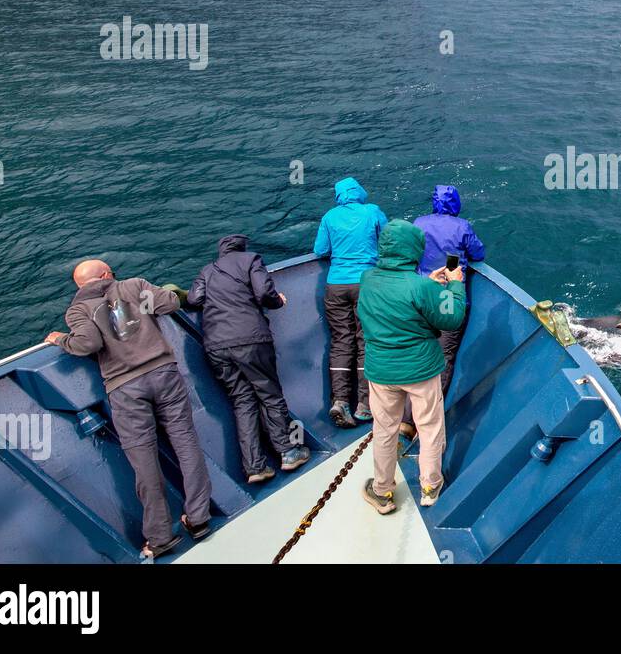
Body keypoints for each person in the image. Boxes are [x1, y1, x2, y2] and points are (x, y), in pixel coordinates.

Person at [44, 259, 212, 559]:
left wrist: (61, 340)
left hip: (125, 388)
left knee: (143, 458)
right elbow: (169, 302)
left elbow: (88, 343)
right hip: (164, 373)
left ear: (81, 285)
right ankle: (199, 519)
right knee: (186, 442)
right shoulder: (133, 285)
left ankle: (161, 537)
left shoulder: (78, 310)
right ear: (107, 275)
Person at [356, 220, 466, 514]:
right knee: (430, 428)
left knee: (384, 430)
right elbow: (451, 318)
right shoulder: (420, 287)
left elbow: (399, 296)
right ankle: (430, 487)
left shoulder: (367, 279)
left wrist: (429, 283)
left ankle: (382, 491)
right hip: (421, 371)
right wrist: (453, 285)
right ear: (414, 250)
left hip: (381, 372)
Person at [187, 235, 311, 484]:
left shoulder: (207, 270)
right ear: (242, 248)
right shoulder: (250, 260)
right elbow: (264, 292)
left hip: (215, 346)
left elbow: (193, 299)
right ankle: (288, 451)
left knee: (242, 401)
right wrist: (278, 301)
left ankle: (255, 466)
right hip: (250, 339)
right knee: (270, 394)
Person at [401, 184, 486, 438]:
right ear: (456, 203)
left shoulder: (418, 222)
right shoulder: (462, 227)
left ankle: (404, 418)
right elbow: (478, 253)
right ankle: (424, 421)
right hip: (449, 296)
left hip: (423, 294)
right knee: (443, 359)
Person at [313, 177, 388, 428]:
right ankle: (365, 404)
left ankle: (341, 400)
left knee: (341, 341)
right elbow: (389, 243)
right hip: (366, 284)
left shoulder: (329, 217)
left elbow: (320, 250)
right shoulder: (372, 212)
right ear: (360, 192)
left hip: (335, 285)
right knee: (365, 339)